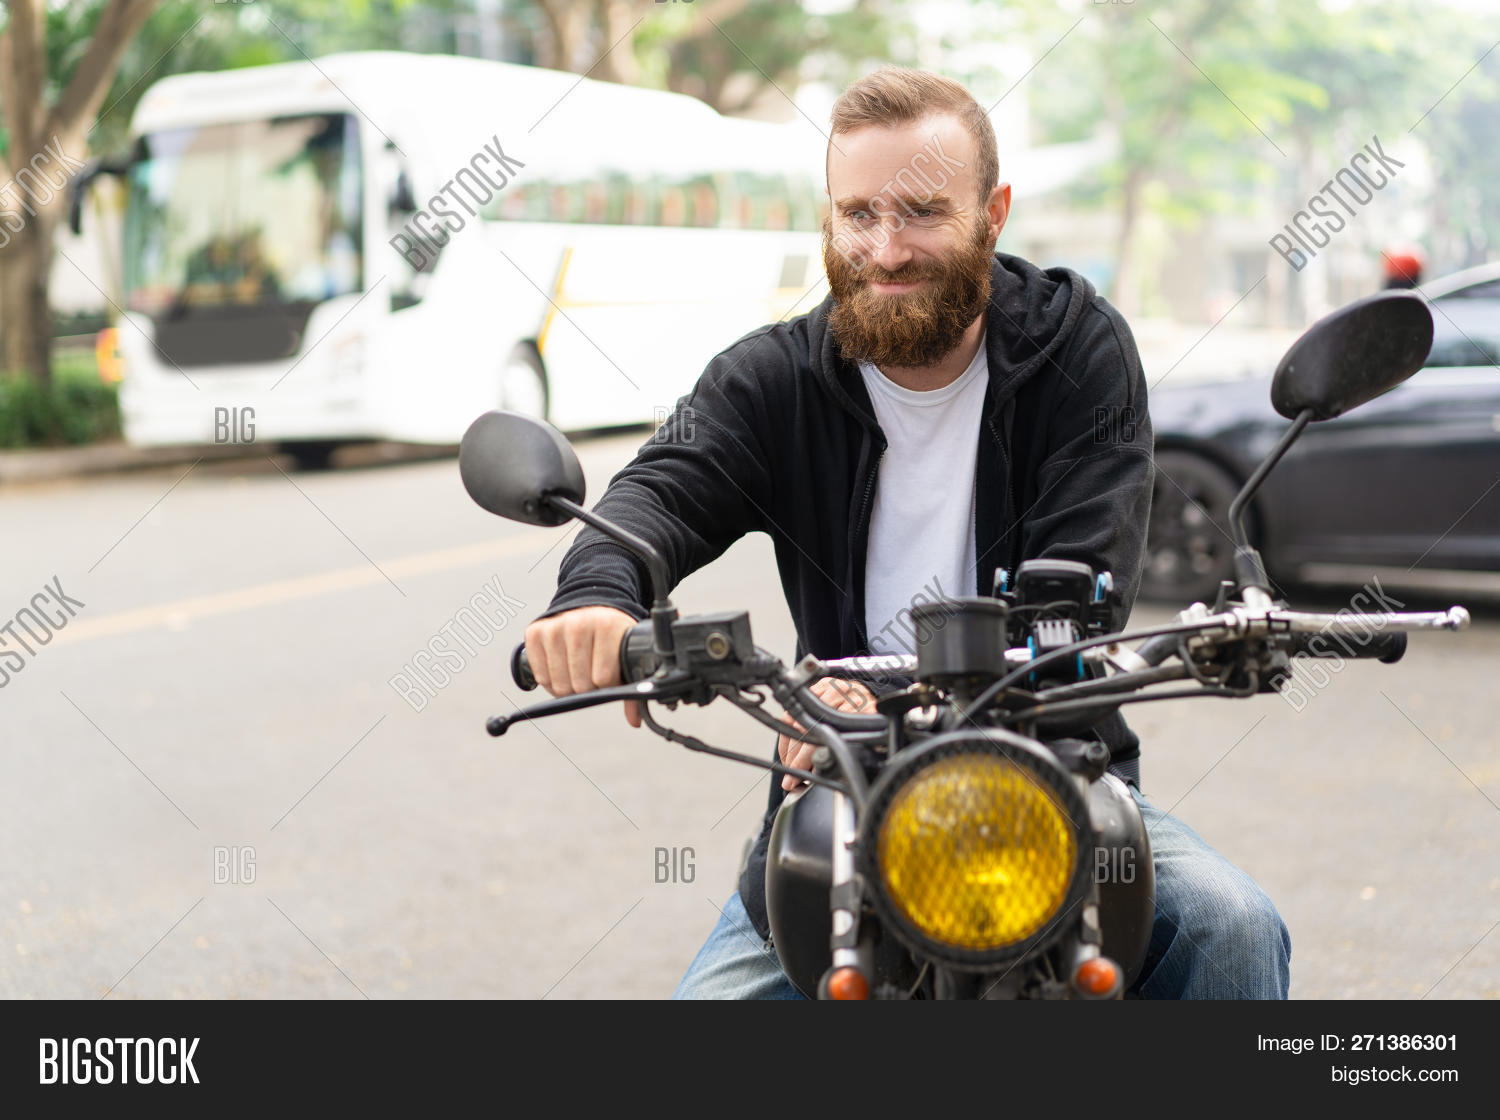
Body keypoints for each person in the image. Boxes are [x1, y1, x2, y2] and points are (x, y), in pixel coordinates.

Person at [523, 67, 1291, 1000]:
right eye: (857, 214)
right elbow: (659, 493)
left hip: (1048, 779)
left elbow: (1081, 591)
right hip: (840, 794)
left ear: (993, 212)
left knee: (1233, 929)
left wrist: (888, 694)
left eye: (923, 211)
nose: (884, 249)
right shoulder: (772, 379)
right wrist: (597, 595)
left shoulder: (1077, 349)